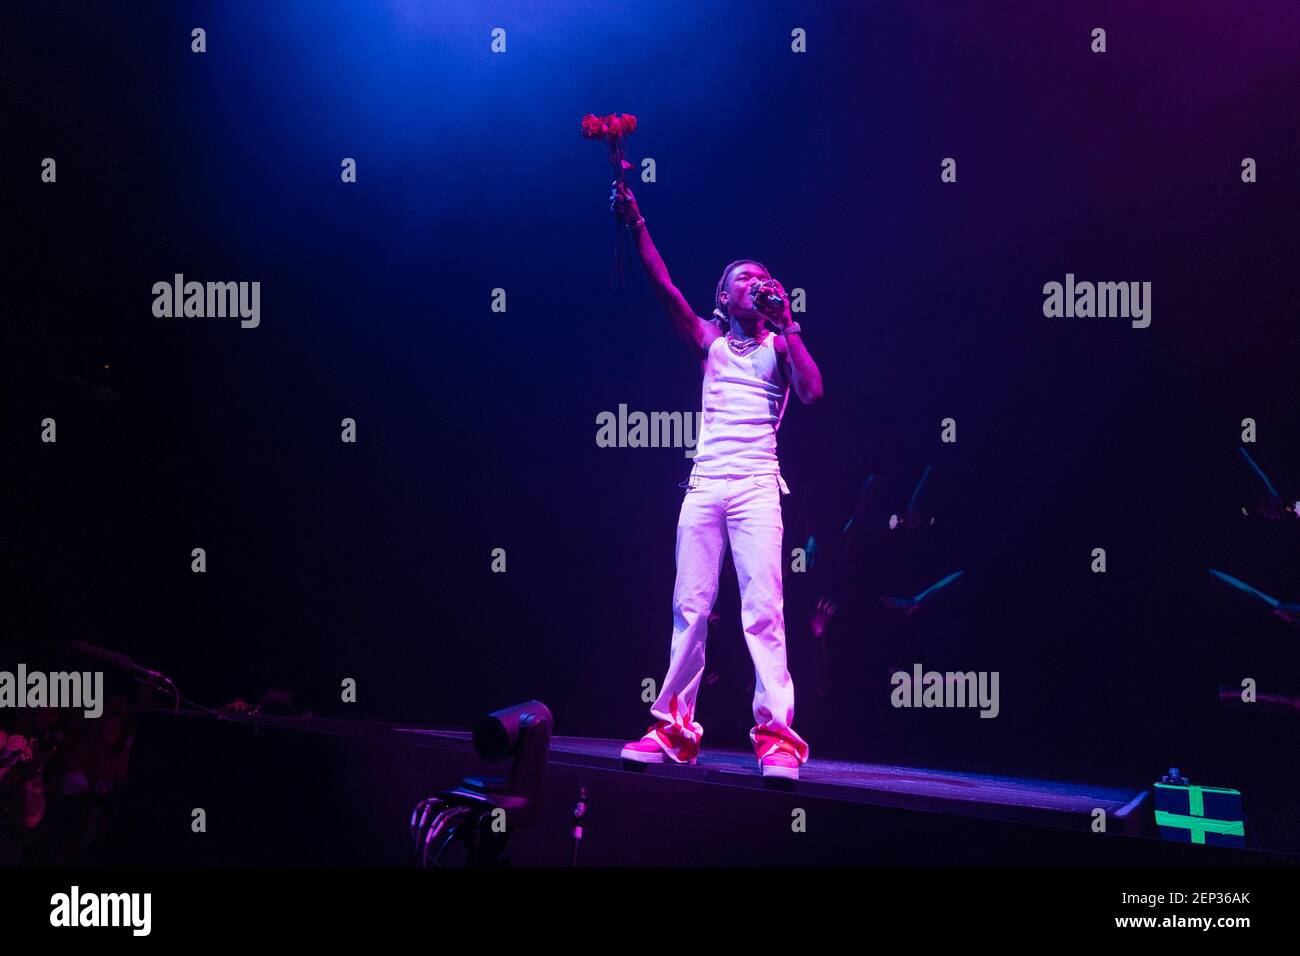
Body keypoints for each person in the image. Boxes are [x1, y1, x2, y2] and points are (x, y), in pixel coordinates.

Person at [610, 180, 823, 779]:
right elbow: (663, 287)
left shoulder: (780, 346)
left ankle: (777, 737)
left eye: (763, 277)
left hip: (757, 484)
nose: (756, 281)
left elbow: (812, 393)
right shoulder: (710, 340)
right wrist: (637, 223)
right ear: (724, 296)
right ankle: (673, 729)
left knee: (763, 610)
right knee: (691, 606)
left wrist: (790, 324)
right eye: (743, 278)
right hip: (705, 483)